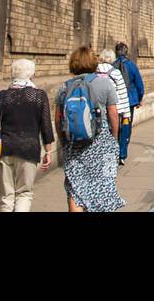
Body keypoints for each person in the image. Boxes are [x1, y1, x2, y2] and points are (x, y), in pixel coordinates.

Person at [56, 45, 123, 212]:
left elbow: (58, 120)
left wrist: (64, 141)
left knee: (75, 188)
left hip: (74, 146)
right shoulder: (105, 83)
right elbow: (113, 115)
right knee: (104, 185)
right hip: (102, 143)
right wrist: (114, 138)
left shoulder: (64, 87)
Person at [0, 58, 53, 212]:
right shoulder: (39, 96)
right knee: (24, 193)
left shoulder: (2, 95)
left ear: (12, 73)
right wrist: (48, 151)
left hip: (4, 149)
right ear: (32, 74)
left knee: (6, 196)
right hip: (29, 149)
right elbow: (46, 126)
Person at [97, 49, 131, 166]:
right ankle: (110, 160)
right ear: (112, 59)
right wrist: (127, 114)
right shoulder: (116, 73)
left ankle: (99, 159)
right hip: (115, 110)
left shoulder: (94, 71)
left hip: (98, 110)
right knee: (113, 135)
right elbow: (123, 93)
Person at [113, 42, 144, 164]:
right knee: (126, 125)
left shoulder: (112, 65)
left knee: (114, 125)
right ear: (127, 52)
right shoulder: (132, 65)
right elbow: (139, 85)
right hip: (129, 102)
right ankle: (122, 153)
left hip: (114, 102)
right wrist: (139, 99)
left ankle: (114, 150)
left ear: (116, 52)